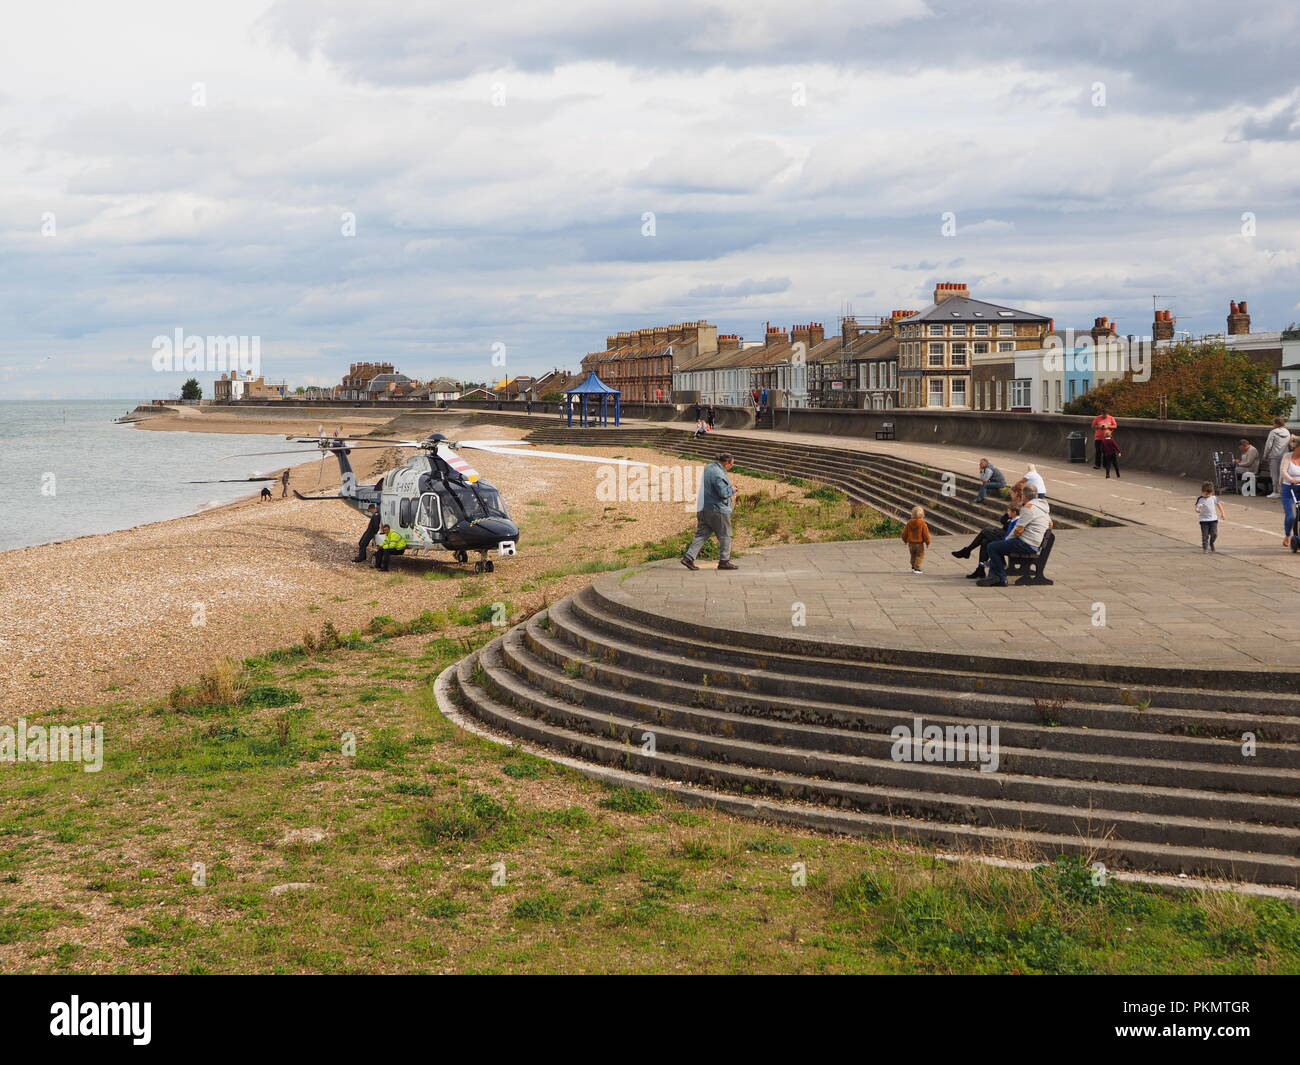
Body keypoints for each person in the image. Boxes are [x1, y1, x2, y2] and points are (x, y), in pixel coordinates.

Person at [979, 485, 1051, 587]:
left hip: (1027, 544)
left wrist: (1006, 541)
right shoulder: (1043, 508)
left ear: (1024, 496)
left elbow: (1017, 529)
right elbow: (1050, 524)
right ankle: (993, 576)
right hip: (1035, 543)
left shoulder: (1028, 509)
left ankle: (1000, 577)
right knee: (997, 545)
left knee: (992, 547)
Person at [952, 484, 1025, 580]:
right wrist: (1007, 519)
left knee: (986, 530)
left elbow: (1009, 522)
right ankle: (980, 569)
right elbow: (1003, 519)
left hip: (1008, 535)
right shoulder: (1014, 505)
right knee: (985, 541)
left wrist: (1008, 520)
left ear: (1016, 493)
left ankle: (968, 551)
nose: (1010, 495)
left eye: (1011, 493)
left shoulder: (1020, 506)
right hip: (1006, 532)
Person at [681, 452, 738, 571]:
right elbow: (723, 493)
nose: (732, 466)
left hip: (703, 507)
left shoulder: (709, 467)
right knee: (725, 535)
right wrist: (732, 490)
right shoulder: (718, 474)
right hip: (717, 510)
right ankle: (724, 561)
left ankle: (688, 558)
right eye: (732, 464)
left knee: (701, 535)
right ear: (726, 463)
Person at [1262, 417, 1292, 497]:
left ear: (1276, 424)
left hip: (1274, 456)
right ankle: (1282, 492)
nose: (1272, 425)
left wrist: (1265, 455)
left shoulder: (1273, 432)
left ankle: (1275, 492)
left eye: (1273, 423)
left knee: (1274, 474)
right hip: (1284, 456)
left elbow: (1268, 445)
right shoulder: (1287, 432)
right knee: (1283, 474)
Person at [1195, 481, 1226, 552]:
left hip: (1213, 519)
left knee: (1214, 534)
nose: (1208, 495)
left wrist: (1222, 513)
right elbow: (1197, 507)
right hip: (1203, 520)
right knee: (1205, 535)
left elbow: (1219, 504)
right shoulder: (1200, 499)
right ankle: (1205, 547)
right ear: (1202, 492)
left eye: (1209, 494)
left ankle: (1211, 543)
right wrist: (1197, 510)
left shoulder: (1214, 498)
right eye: (1206, 493)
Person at [900, 505, 932, 574]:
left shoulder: (909, 523)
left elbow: (905, 533)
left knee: (913, 555)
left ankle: (913, 565)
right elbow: (926, 534)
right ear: (922, 515)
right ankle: (917, 568)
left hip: (911, 544)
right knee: (920, 555)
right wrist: (928, 542)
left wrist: (904, 540)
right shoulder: (923, 523)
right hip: (919, 544)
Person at [1281, 439, 1300, 548]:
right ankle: (1288, 535)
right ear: (1297, 447)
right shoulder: (1287, 456)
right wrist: (1292, 480)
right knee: (1291, 516)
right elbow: (1283, 471)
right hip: (1289, 488)